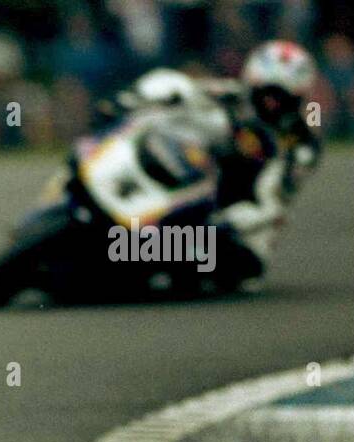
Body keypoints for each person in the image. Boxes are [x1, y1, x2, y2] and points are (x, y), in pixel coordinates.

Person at [98, 41, 321, 288]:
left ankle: (136, 271)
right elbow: (181, 89)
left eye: (281, 98)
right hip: (196, 193)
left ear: (297, 98)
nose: (271, 104)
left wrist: (235, 220)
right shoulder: (231, 94)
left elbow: (275, 197)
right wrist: (136, 100)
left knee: (207, 259)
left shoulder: (298, 141)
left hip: (240, 230)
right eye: (267, 94)